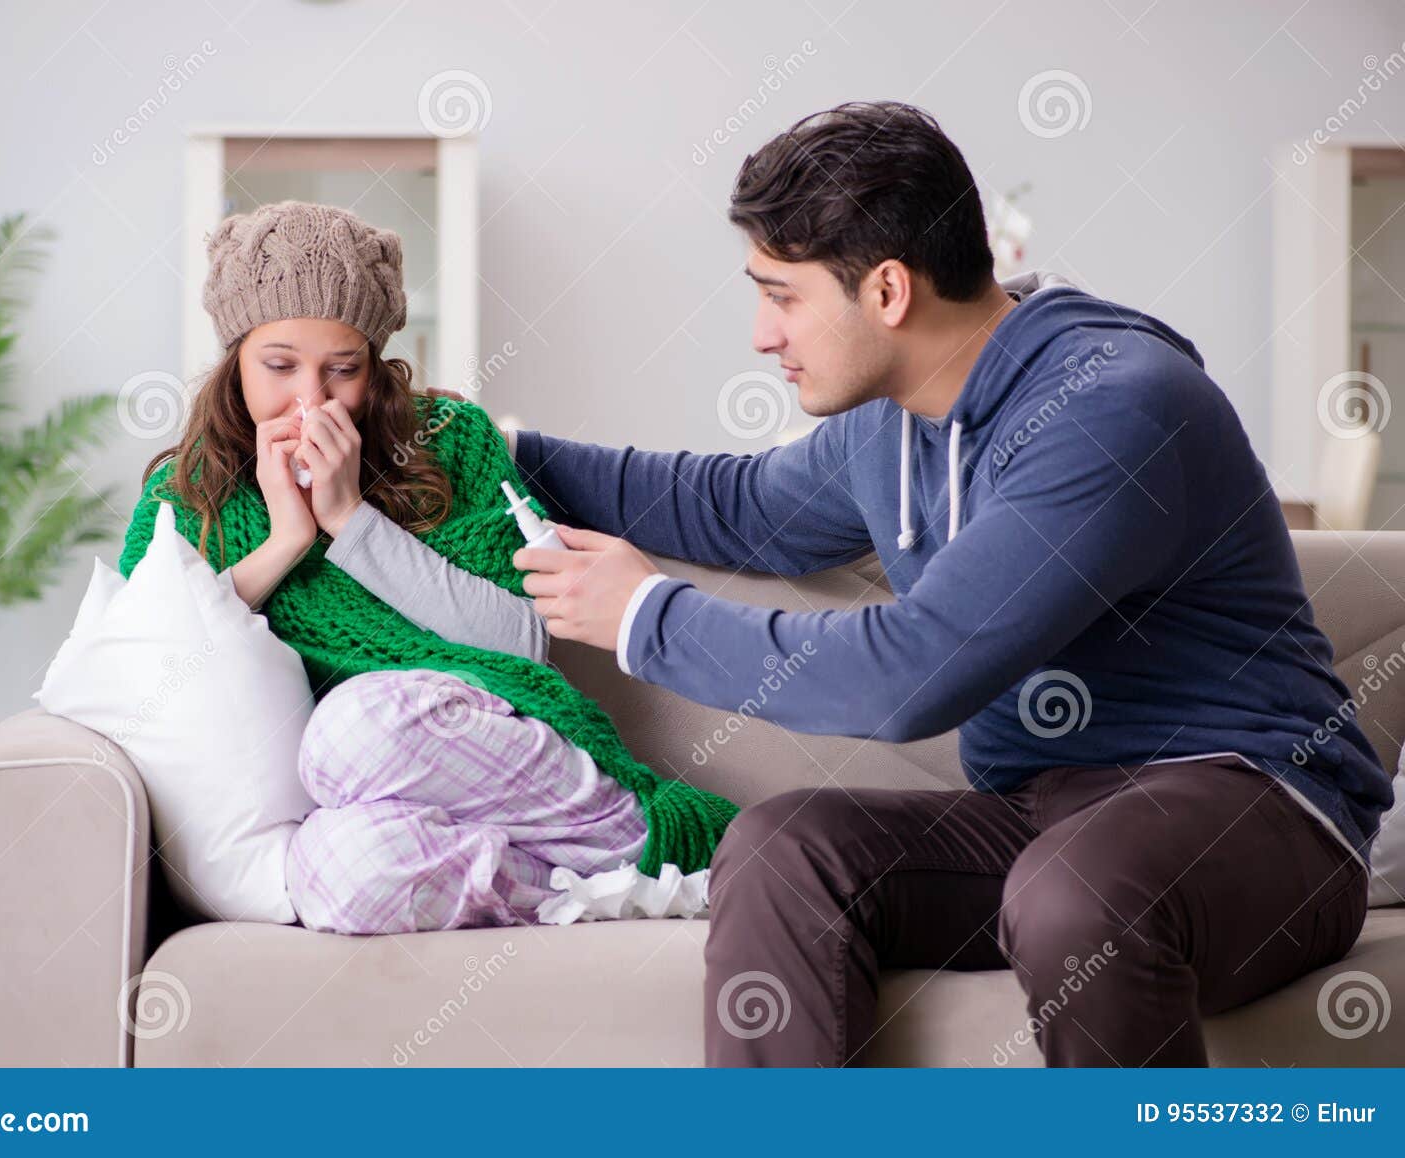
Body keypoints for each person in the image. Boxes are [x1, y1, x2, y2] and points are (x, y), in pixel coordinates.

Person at [506, 101, 1392, 1066]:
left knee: (1079, 888)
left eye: (782, 294)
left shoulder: (1113, 409)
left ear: (887, 290)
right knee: (781, 848)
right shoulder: (899, 423)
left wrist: (643, 617)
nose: (762, 334)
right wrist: (492, 451)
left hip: (1258, 813)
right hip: (1048, 819)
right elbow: (740, 507)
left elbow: (914, 673)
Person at [116, 199, 735, 936]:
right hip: (353, 807)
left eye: (341, 370)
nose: (310, 401)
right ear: (235, 360)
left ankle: (635, 838)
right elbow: (147, 662)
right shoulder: (183, 498)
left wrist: (350, 520)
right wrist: (285, 539)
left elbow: (520, 642)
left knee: (348, 730)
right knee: (334, 875)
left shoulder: (449, 440)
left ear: (373, 367)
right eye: (279, 366)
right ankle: (596, 886)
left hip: (463, 742)